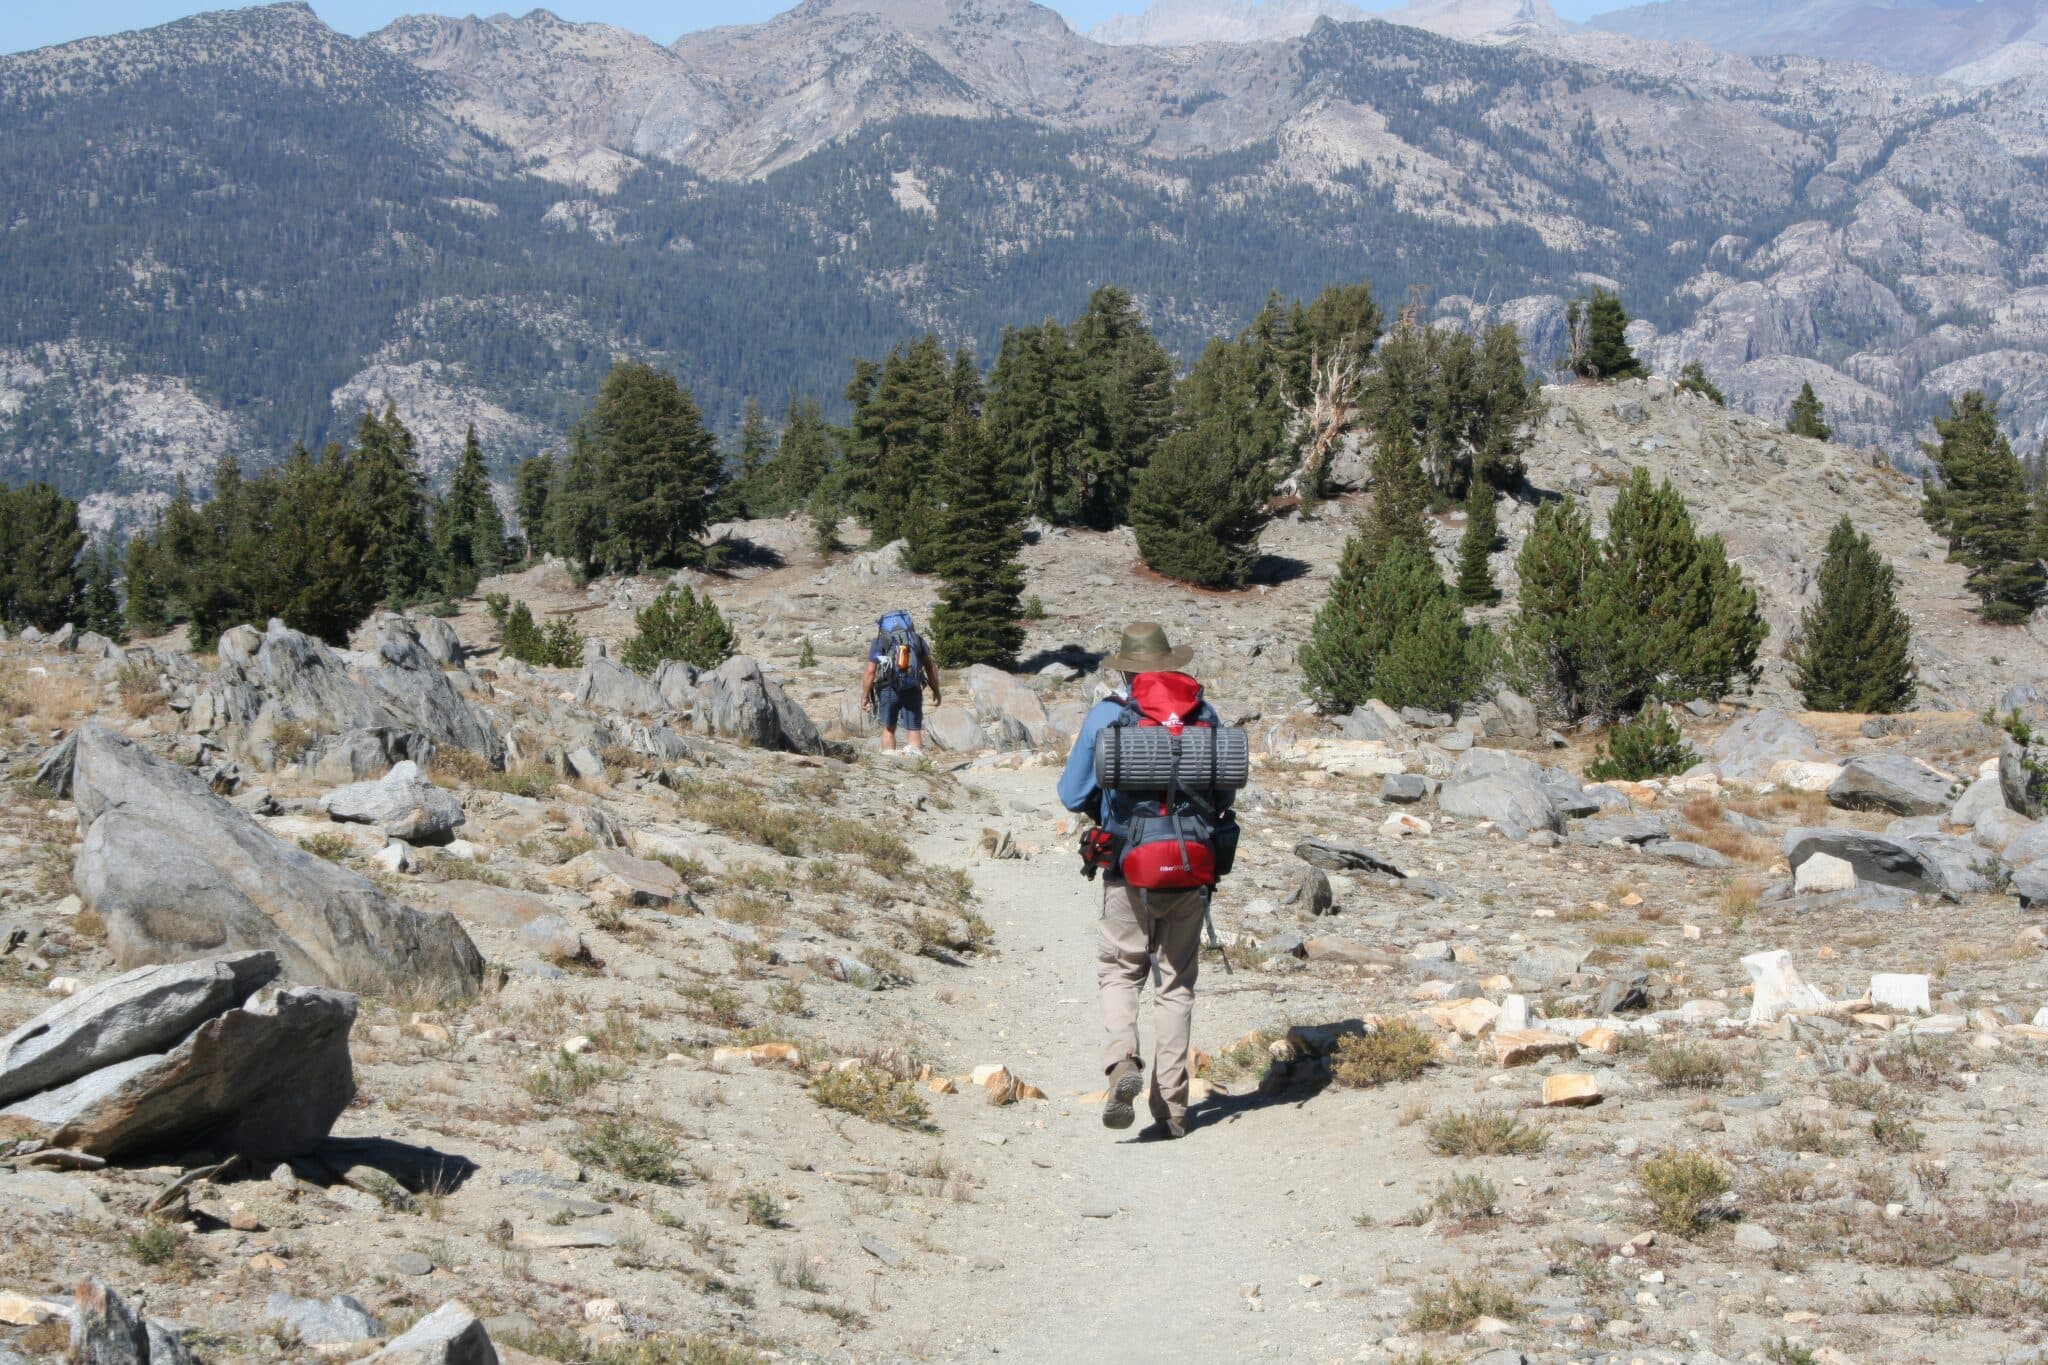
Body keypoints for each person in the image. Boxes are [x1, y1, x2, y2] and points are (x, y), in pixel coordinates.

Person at [1058, 622, 1219, 1140]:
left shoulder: (1109, 716)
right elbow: (1224, 793)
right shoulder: (1204, 714)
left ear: (1125, 669)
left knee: (1121, 972)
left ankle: (1121, 1064)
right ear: (1170, 663)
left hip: (1128, 865)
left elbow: (1071, 792)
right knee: (1175, 986)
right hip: (1192, 866)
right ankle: (1172, 1108)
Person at [861, 610, 941, 757]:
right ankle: (917, 765)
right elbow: (930, 666)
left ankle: (890, 761)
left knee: (889, 728)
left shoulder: (879, 642)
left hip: (887, 689)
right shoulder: (917, 639)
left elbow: (870, 672)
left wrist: (865, 696)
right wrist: (936, 690)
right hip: (912, 688)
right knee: (913, 728)